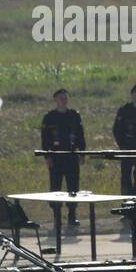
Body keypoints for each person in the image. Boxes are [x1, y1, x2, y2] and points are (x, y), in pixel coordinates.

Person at [40, 88, 86, 226]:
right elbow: (45, 139)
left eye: (66, 98)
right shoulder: (49, 117)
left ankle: (72, 216)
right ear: (56, 100)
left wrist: (82, 152)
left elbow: (80, 136)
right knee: (55, 188)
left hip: (71, 156)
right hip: (56, 157)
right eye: (61, 98)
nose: (64, 100)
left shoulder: (74, 116)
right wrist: (47, 157)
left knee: (73, 187)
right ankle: (57, 218)